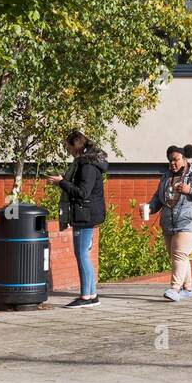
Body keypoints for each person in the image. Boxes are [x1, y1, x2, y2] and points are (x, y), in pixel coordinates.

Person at [146, 144, 192, 302]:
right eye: (170, 160)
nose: (172, 163)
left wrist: (190, 190)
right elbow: (158, 197)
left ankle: (175, 289)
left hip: (189, 222)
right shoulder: (166, 176)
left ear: (184, 159)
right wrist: (150, 208)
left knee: (179, 254)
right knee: (178, 256)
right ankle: (188, 288)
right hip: (169, 222)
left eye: (176, 160)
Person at [48, 130, 108, 308]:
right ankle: (92, 295)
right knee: (83, 255)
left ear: (76, 145)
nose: (66, 149)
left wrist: (61, 182)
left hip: (85, 215)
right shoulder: (86, 163)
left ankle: (86, 297)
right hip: (85, 213)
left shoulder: (87, 166)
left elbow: (82, 193)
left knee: (81, 255)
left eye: (67, 145)